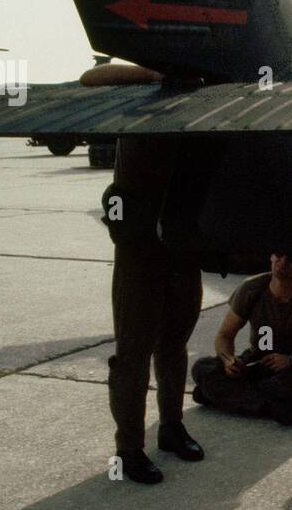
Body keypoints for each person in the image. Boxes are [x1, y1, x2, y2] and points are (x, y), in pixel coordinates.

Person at [85, 61, 212, 485]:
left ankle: (171, 427)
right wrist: (155, 73)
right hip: (139, 245)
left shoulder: (209, 88)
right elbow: (91, 79)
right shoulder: (144, 89)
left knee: (175, 342)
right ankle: (129, 449)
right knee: (133, 352)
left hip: (181, 240)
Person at [191, 251, 292, 425]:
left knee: (288, 384)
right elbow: (224, 336)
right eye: (279, 253)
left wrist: (291, 359)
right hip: (257, 362)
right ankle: (269, 408)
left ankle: (217, 396)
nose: (283, 261)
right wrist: (228, 360)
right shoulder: (251, 288)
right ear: (271, 256)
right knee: (202, 367)